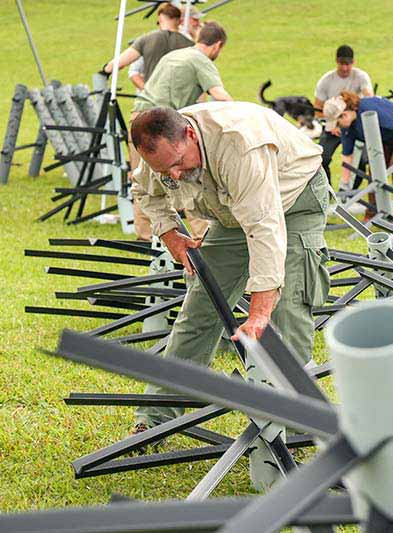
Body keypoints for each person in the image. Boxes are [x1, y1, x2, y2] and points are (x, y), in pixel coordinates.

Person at [129, 102, 330, 489]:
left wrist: (258, 313)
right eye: (165, 170)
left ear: (189, 133)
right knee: (200, 307)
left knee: (287, 315)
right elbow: (146, 190)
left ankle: (293, 428)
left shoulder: (241, 145)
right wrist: (171, 233)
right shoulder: (160, 149)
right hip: (231, 214)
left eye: (178, 163)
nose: (174, 174)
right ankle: (155, 418)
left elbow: (264, 226)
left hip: (293, 202)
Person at [130, 21, 232, 240]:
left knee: (143, 180)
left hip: (139, 120)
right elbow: (219, 95)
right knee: (189, 176)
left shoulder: (174, 55)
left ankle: (146, 236)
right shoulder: (201, 60)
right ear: (217, 46)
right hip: (164, 129)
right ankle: (204, 236)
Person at [323, 91, 393, 220]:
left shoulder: (369, 108)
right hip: (385, 136)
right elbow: (347, 155)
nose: (336, 128)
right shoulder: (348, 128)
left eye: (337, 123)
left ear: (344, 115)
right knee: (375, 172)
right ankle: (372, 214)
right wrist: (345, 183)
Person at [313, 45, 373, 182]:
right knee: (322, 159)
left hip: (354, 123)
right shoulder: (326, 81)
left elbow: (369, 97)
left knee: (361, 160)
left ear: (353, 62)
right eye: (342, 64)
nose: (345, 68)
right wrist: (332, 124)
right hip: (332, 125)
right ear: (336, 61)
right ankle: (328, 193)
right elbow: (317, 109)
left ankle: (353, 192)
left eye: (348, 64)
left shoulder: (361, 77)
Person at [100, 3, 192, 82]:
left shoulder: (147, 39)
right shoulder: (190, 45)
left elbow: (117, 63)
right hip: (183, 100)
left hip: (153, 98)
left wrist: (105, 71)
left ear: (160, 20)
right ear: (180, 21)